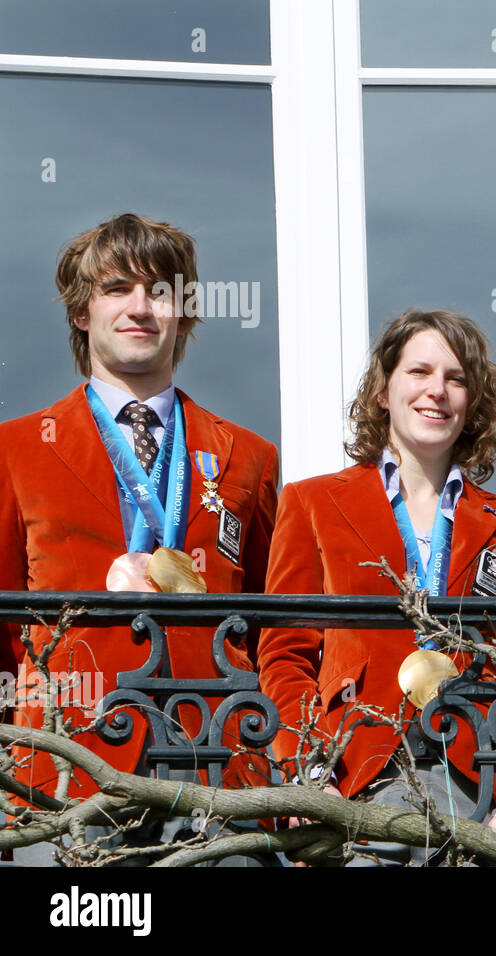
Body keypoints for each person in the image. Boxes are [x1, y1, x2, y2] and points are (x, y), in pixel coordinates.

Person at [0, 213, 279, 863]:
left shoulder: (249, 459)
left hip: (217, 765)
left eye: (161, 291)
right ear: (80, 312)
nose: (141, 307)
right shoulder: (14, 451)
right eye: (117, 287)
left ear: (184, 316)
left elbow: (272, 622)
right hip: (67, 766)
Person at [257, 309, 496, 864]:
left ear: (473, 403)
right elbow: (285, 658)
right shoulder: (313, 503)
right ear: (383, 390)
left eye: (456, 378)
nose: (437, 391)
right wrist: (309, 771)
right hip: (354, 773)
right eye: (419, 372)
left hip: (478, 779)